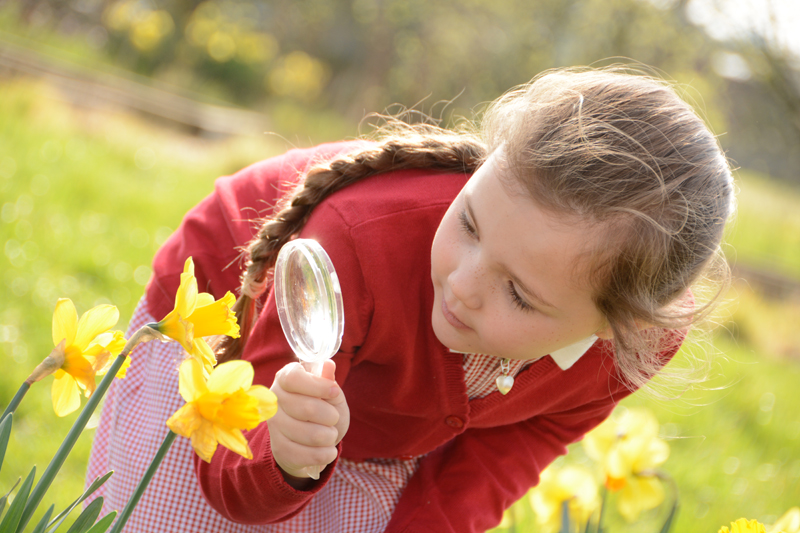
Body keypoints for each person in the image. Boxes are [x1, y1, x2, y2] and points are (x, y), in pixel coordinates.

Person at [86, 66, 734, 533]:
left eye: (518, 292)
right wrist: (285, 456)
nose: (463, 284)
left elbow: (514, 447)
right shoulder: (358, 245)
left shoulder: (634, 344)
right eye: (470, 224)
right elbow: (234, 471)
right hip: (228, 331)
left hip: (382, 407)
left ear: (619, 325)